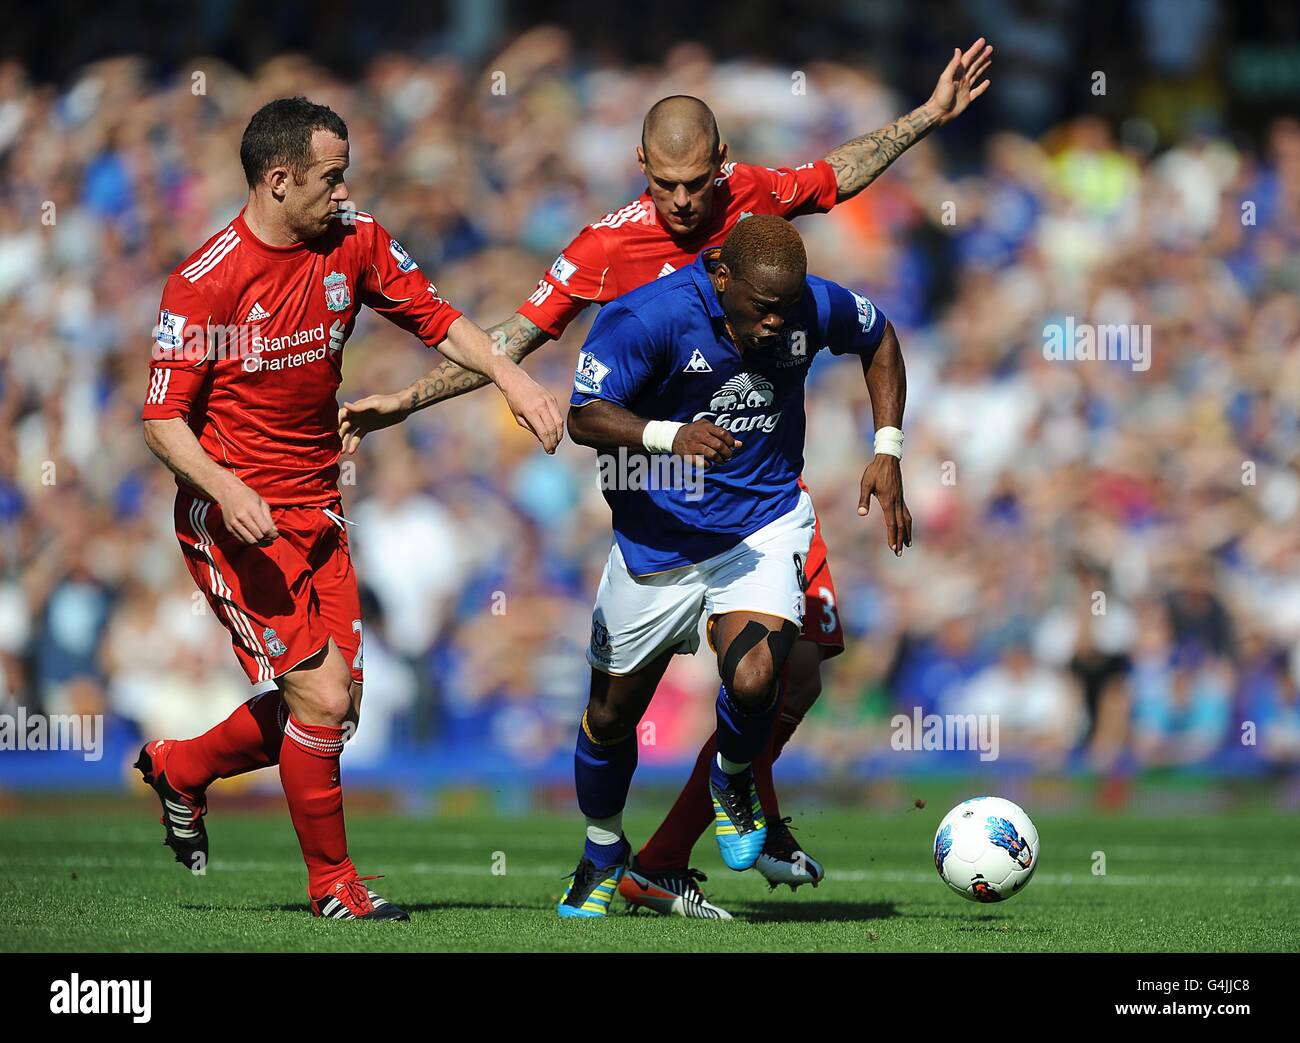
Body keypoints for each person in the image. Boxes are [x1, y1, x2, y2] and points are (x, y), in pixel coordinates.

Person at [338, 41, 988, 916]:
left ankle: (707, 822)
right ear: (640, 165)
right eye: (665, 184)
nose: (682, 203)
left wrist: (924, 117)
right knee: (616, 709)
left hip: (760, 492)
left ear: (721, 166)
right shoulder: (607, 249)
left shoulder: (755, 198)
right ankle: (639, 850)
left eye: (697, 183)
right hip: (655, 500)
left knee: (785, 677)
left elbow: (835, 174)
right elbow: (518, 336)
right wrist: (412, 398)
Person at [136, 97, 562, 921]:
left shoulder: (355, 242)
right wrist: (226, 487)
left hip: (320, 507)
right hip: (233, 519)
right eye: (332, 178)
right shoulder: (205, 280)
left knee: (336, 710)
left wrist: (511, 377)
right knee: (322, 700)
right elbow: (161, 420)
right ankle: (335, 887)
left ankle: (183, 767)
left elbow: (436, 316)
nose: (345, 192)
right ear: (280, 178)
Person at [556, 215, 910, 917]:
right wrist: (668, 434)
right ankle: (602, 853)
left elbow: (880, 338)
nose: (778, 324)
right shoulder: (648, 317)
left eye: (788, 308)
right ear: (721, 279)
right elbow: (584, 415)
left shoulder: (812, 306)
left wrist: (889, 446)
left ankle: (735, 779)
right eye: (763, 308)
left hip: (763, 523)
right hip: (657, 543)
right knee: (609, 714)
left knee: (761, 676)